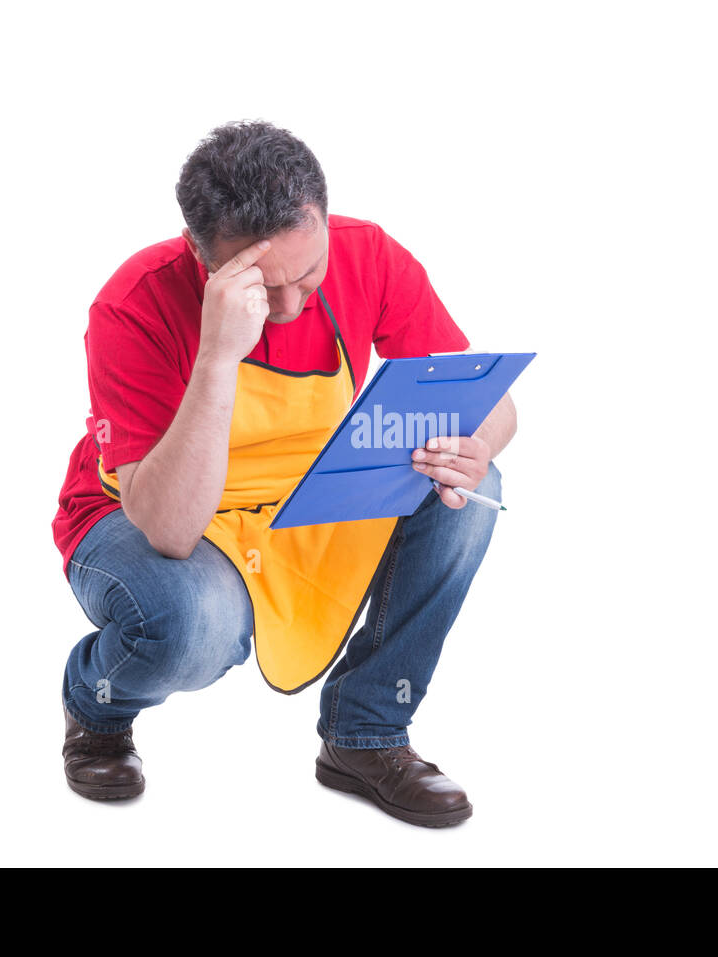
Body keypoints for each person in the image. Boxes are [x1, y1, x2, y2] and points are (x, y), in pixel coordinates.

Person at [51, 120, 518, 827]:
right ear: (201, 255)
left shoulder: (369, 254)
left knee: (474, 490)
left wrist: (474, 444)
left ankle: (366, 734)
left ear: (324, 221)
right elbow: (170, 529)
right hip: (142, 512)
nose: (291, 306)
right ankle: (97, 704)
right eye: (263, 289)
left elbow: (492, 405)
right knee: (194, 624)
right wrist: (218, 355)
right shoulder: (134, 303)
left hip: (296, 496)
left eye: (307, 275)